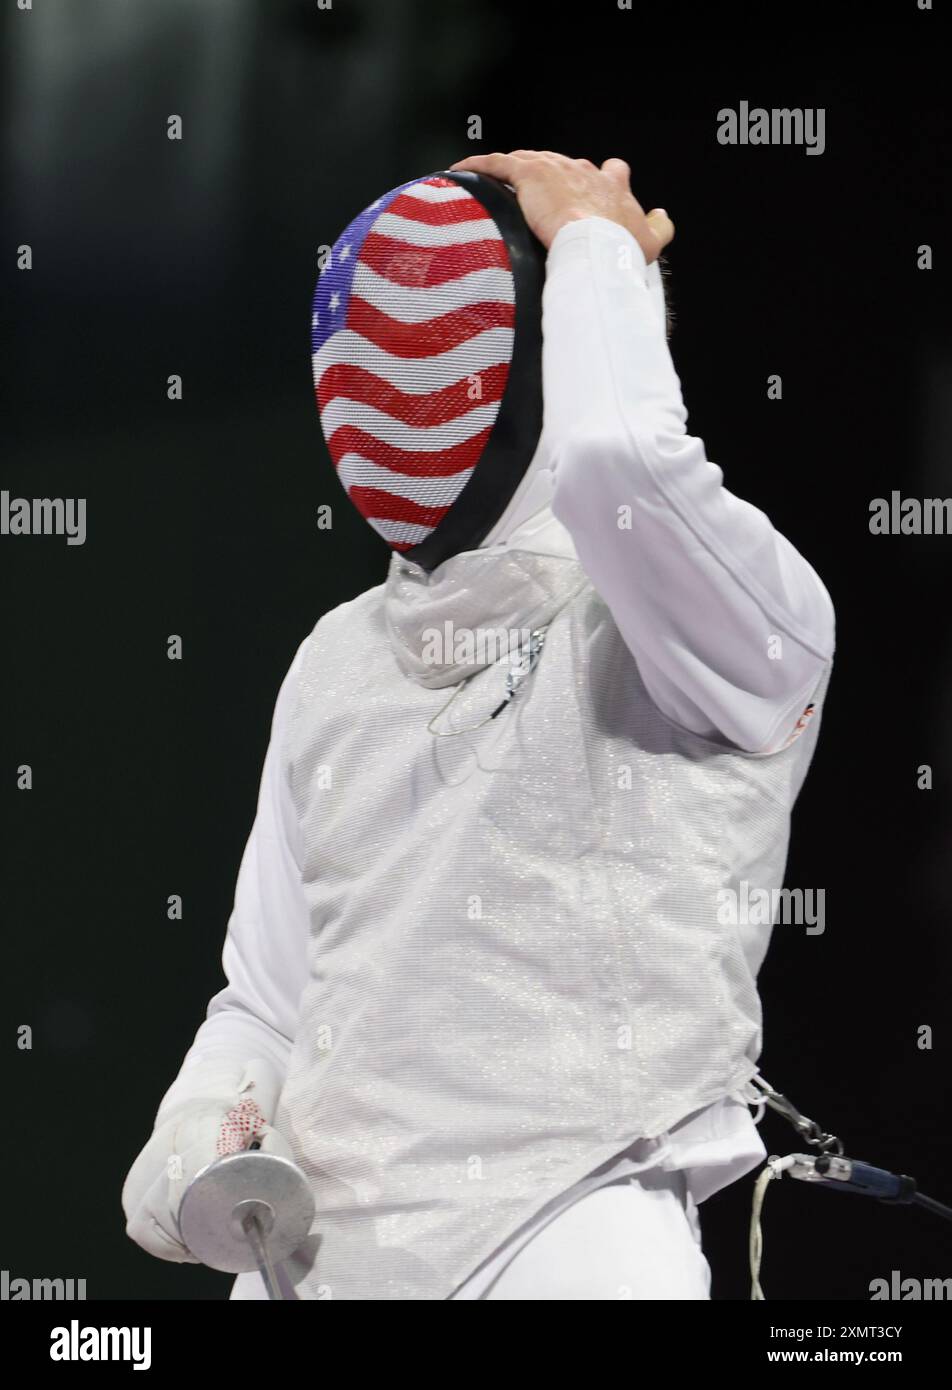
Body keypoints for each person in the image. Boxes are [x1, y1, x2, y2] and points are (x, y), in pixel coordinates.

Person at [122, 150, 835, 1300]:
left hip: (568, 1237)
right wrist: (213, 1105)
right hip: (308, 1271)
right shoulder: (338, 664)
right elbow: (269, 998)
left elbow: (626, 470)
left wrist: (595, 247)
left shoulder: (726, 625)